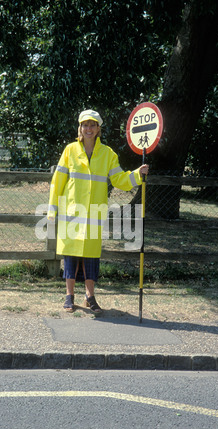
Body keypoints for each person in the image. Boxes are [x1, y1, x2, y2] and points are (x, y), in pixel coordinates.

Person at [47, 109, 149, 313]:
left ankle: (90, 298)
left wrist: (137, 175)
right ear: (80, 128)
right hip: (71, 214)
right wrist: (52, 209)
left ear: (98, 128)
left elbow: (120, 180)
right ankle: (69, 297)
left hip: (94, 215)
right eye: (85, 125)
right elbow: (57, 182)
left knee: (91, 258)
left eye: (92, 125)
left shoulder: (108, 154)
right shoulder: (69, 151)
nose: (88, 129)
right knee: (71, 256)